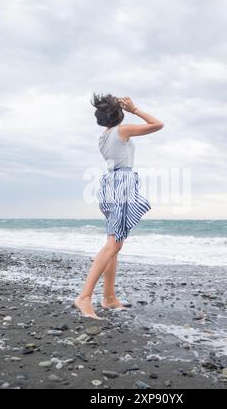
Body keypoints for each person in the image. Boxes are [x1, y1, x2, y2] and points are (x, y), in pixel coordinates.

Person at [74, 94, 164, 319]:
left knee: (115, 243)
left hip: (110, 184)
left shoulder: (103, 137)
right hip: (122, 184)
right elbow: (158, 124)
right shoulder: (121, 131)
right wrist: (135, 109)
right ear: (119, 115)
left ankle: (109, 297)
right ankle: (84, 297)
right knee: (113, 244)